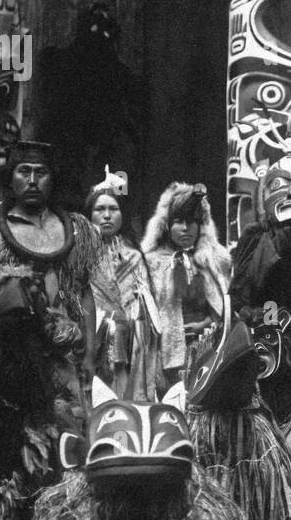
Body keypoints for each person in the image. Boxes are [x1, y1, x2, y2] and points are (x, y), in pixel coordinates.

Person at [0, 140, 102, 407]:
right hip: (7, 359)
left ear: (52, 178)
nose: (33, 180)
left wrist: (90, 356)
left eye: (41, 172)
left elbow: (85, 294)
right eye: (24, 171)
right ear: (11, 179)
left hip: (63, 359)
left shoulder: (76, 230)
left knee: (68, 436)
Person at [142, 182, 231, 393]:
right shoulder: (151, 263)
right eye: (178, 222)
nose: (185, 228)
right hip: (167, 356)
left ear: (201, 226)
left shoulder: (212, 260)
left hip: (208, 348)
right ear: (165, 225)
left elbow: (224, 305)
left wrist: (207, 324)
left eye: (192, 222)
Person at [86, 170, 159, 400]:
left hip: (130, 343)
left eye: (113, 209)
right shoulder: (79, 257)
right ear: (89, 215)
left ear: (122, 215)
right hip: (91, 340)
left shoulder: (134, 257)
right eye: (100, 209)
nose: (107, 216)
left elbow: (147, 305)